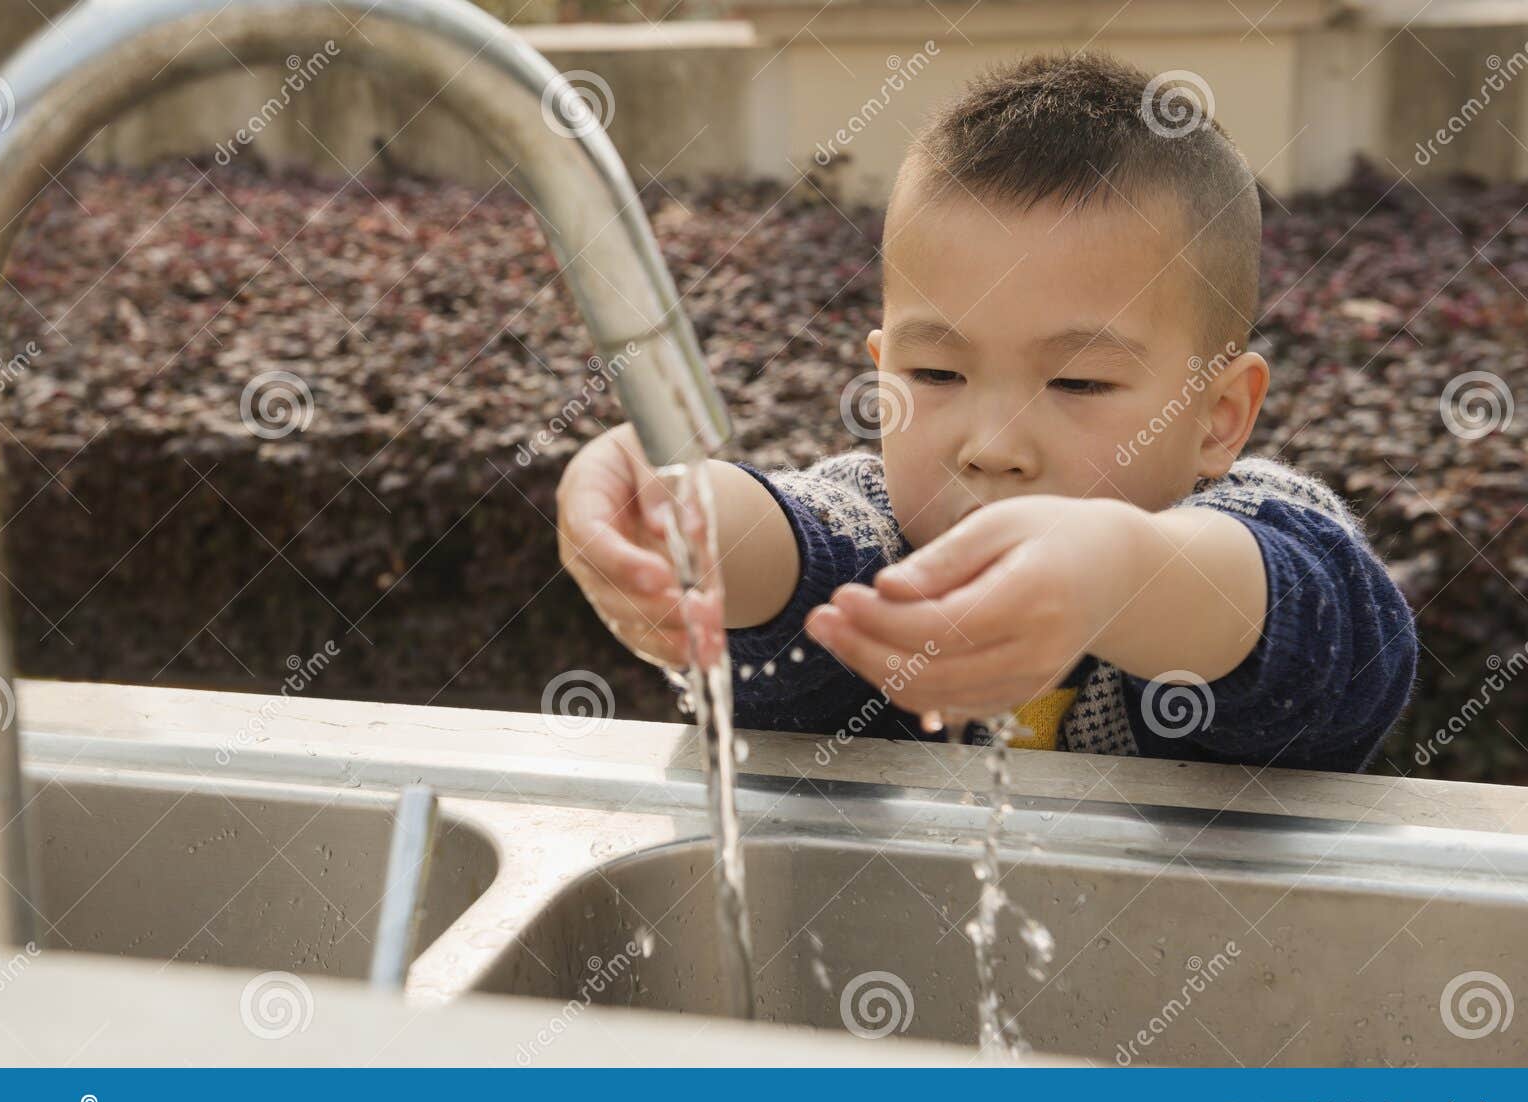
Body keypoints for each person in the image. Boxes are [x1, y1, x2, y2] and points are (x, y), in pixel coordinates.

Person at [556, 51, 1417, 774]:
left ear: (1221, 417)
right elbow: (797, 557)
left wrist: (1113, 574)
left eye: (1079, 383)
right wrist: (682, 502)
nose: (993, 447)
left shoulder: (1251, 541)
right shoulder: (883, 540)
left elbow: (1326, 634)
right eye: (936, 372)